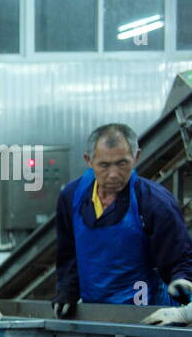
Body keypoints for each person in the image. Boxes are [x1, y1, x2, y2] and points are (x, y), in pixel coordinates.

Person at [53, 123, 192, 319]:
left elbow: (180, 257)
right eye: (104, 165)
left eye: (122, 163)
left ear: (136, 157)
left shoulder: (155, 202)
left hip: (146, 312)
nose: (113, 174)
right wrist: (67, 290)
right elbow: (68, 255)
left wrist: (183, 281)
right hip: (95, 313)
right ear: (88, 160)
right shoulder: (72, 197)